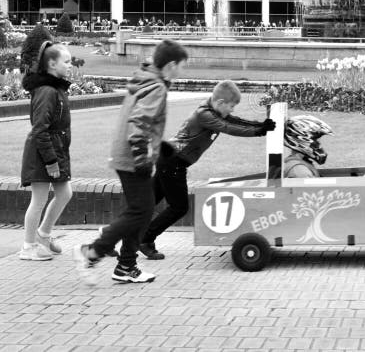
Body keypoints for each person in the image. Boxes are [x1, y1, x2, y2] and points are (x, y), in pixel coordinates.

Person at [73, 39, 188, 285]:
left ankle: (126, 266)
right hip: (133, 157)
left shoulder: (146, 79)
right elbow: (139, 122)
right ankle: (94, 251)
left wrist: (160, 146)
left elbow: (143, 120)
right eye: (181, 66)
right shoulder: (156, 86)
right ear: (170, 65)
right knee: (141, 211)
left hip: (127, 153)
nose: (181, 72)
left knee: (141, 211)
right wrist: (141, 156)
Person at [138, 80, 276, 260]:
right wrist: (258, 132)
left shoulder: (213, 111)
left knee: (146, 203)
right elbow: (228, 127)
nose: (232, 110)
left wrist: (261, 125)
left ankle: (110, 236)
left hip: (170, 160)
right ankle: (145, 239)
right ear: (220, 103)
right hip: (173, 162)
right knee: (179, 207)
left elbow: (235, 121)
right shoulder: (205, 115)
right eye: (231, 106)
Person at [19, 40, 74, 260]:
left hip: (54, 150)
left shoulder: (54, 88)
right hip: (43, 153)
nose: (70, 65)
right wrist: (51, 161)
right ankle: (28, 246)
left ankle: (43, 235)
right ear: (52, 64)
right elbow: (40, 129)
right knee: (39, 199)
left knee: (65, 193)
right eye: (66, 61)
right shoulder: (46, 91)